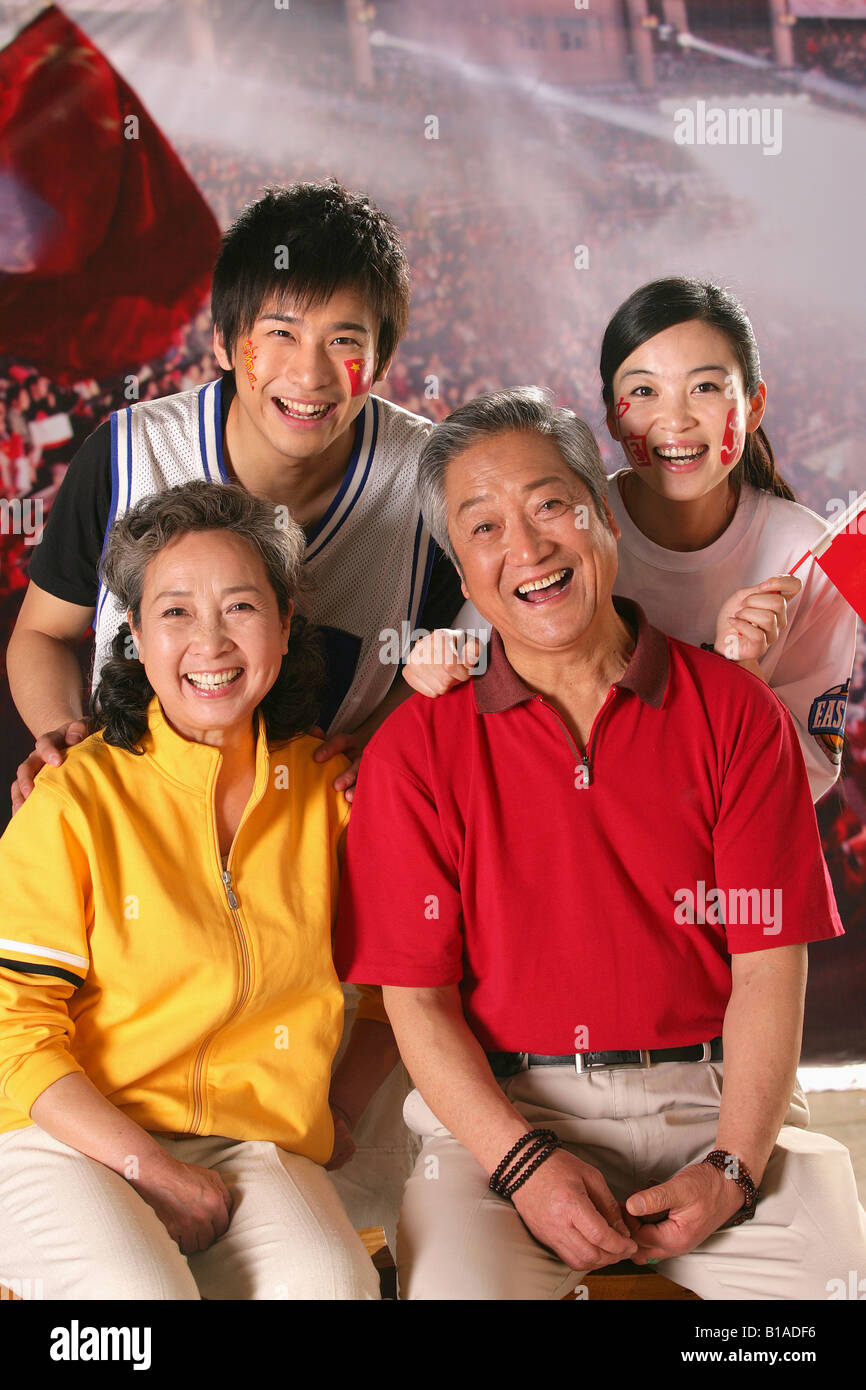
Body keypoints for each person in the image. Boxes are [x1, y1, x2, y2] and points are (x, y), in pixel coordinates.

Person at [334, 388, 866, 1301]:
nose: (528, 549)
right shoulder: (415, 749)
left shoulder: (739, 715)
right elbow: (417, 1002)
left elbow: (769, 968)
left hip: (718, 1103)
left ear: (603, 517)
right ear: (462, 572)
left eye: (550, 506)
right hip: (500, 1127)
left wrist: (734, 1165)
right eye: (485, 528)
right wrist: (522, 1163)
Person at [0, 481, 394, 1300]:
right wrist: (148, 1166)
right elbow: (11, 1034)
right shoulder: (74, 797)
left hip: (248, 1142)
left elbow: (402, 988)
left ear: (286, 627)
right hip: (60, 1136)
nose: (210, 642)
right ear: (135, 636)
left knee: (332, 1285)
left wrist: (341, 1116)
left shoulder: (332, 799)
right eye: (175, 611)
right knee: (138, 1301)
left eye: (242, 607)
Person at [8, 179, 464, 811]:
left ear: (383, 355)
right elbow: (44, 634)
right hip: (140, 824)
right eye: (279, 333)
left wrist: (381, 736)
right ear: (223, 341)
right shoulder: (129, 453)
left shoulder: (433, 476)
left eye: (344, 341)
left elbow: (457, 652)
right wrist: (63, 735)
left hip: (321, 837)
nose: (309, 374)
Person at [403, 279, 857, 803]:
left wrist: (741, 679)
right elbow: (476, 658)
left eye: (705, 387)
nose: (676, 419)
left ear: (754, 404)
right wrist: (436, 658)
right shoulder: (568, 523)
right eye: (643, 391)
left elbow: (813, 773)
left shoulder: (809, 554)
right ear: (613, 417)